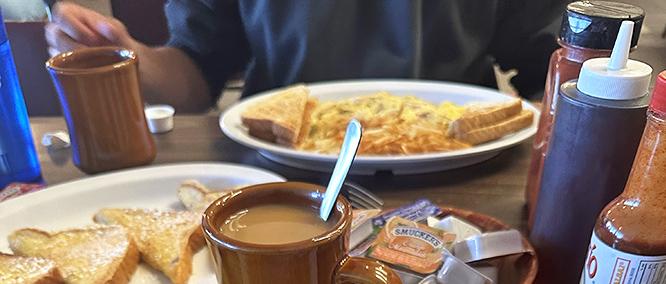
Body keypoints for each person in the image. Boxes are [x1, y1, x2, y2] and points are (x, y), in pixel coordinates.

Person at [45, 0, 566, 113]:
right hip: (276, 170)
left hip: (467, 170)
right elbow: (196, 74)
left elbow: (551, 61)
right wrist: (127, 57)